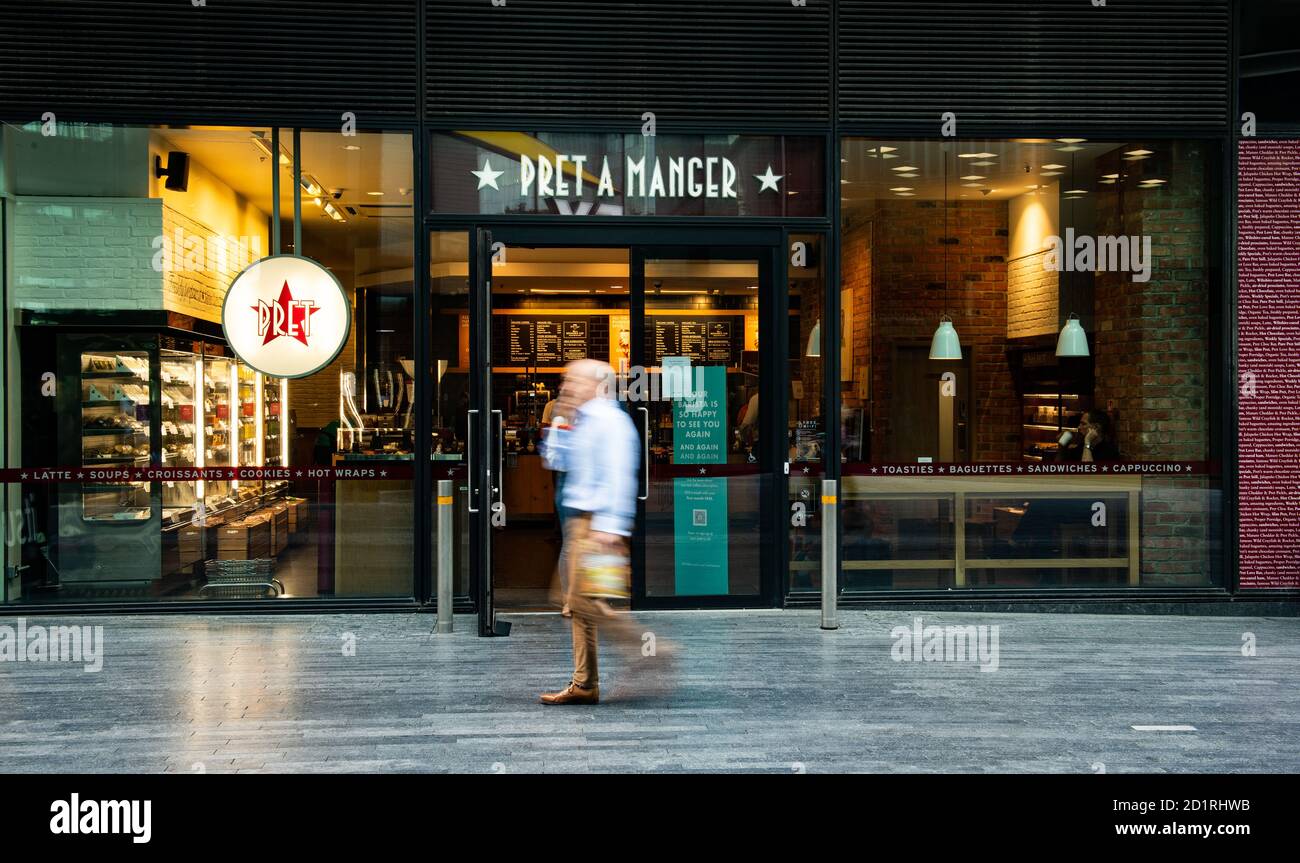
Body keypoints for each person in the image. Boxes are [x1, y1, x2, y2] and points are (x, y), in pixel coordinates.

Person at [539, 359, 660, 705]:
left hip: (596, 527)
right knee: (577, 606)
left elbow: (621, 475)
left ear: (597, 384)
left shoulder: (611, 421)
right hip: (578, 524)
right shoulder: (582, 418)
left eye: (573, 380)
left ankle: (650, 651)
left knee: (581, 603)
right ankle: (584, 683)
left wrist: (610, 528)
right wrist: (560, 426)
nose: (566, 386)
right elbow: (556, 462)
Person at [539, 394, 574, 618]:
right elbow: (551, 454)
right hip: (570, 484)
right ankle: (570, 599)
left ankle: (581, 597)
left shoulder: (598, 414)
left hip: (586, 486)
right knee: (572, 543)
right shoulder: (557, 412)